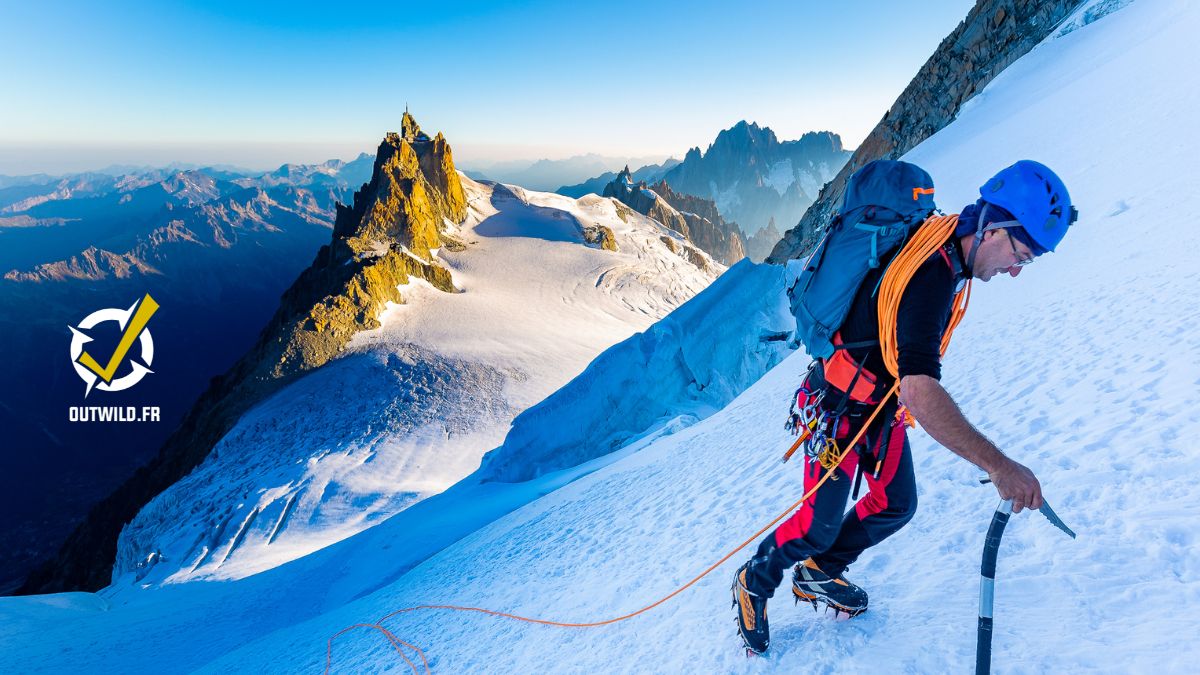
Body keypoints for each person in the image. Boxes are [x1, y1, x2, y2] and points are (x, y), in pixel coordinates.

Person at [733, 160, 1078, 655]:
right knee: (817, 525)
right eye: (1019, 254)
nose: (1016, 270)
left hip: (876, 407)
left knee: (896, 502)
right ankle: (754, 580)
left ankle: (819, 572)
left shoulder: (944, 250)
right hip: (837, 408)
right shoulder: (931, 274)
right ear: (993, 228)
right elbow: (919, 389)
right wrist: (999, 465)